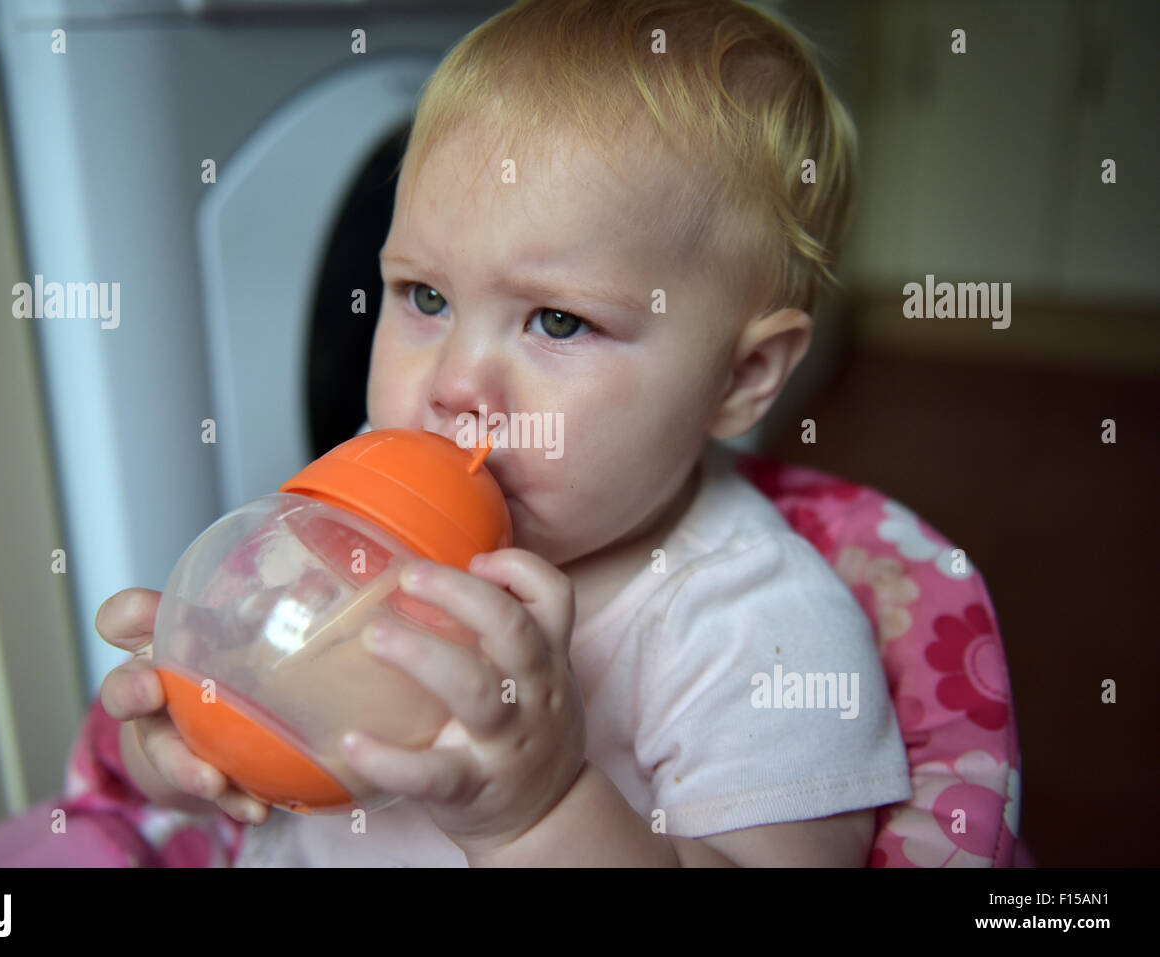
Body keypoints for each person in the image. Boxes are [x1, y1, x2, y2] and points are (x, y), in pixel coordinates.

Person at [92, 0, 911, 866]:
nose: (453, 387)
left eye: (557, 322)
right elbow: (285, 757)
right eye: (427, 297)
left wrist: (541, 812)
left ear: (742, 378)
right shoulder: (353, 529)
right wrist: (197, 730)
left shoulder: (754, 631)